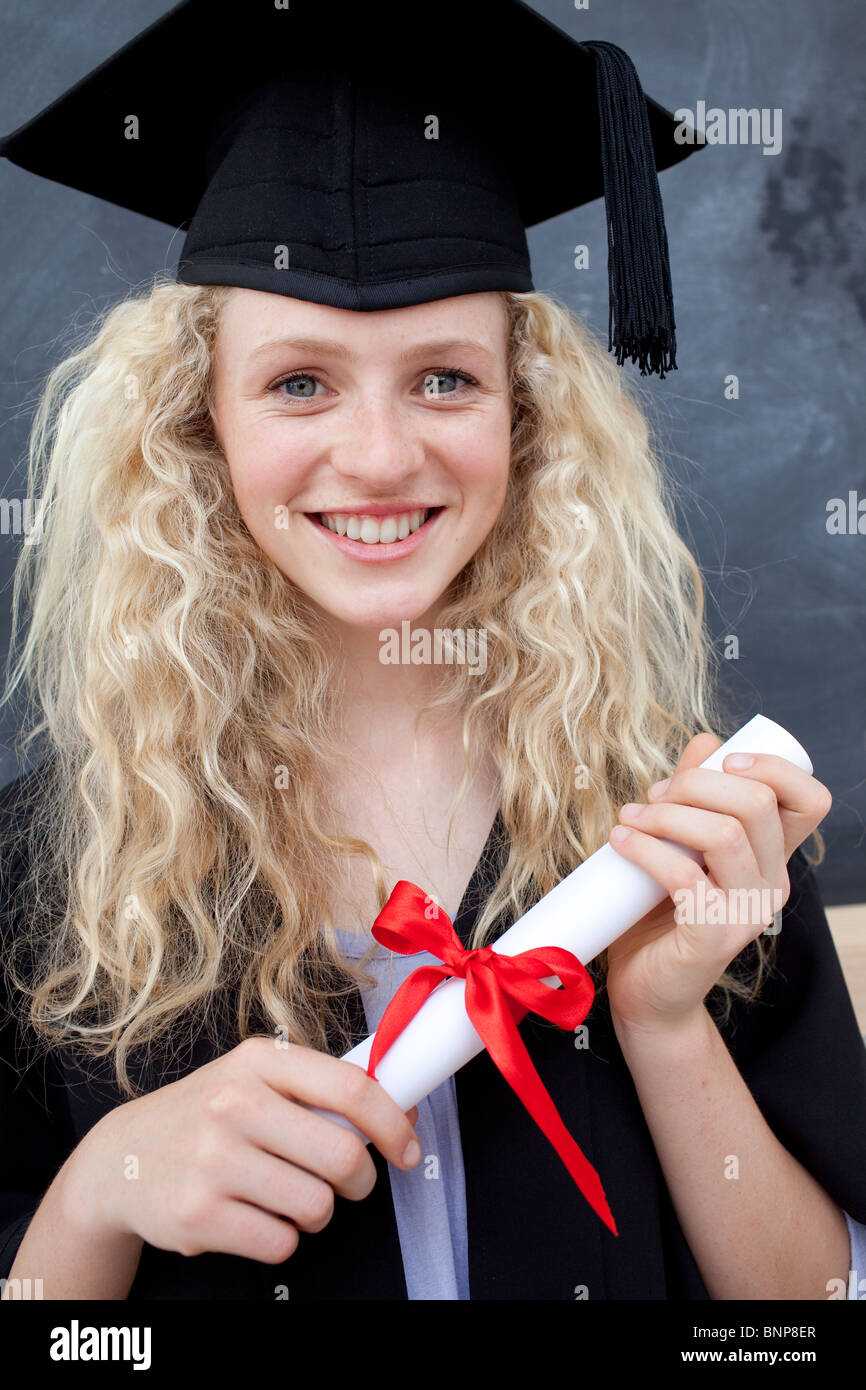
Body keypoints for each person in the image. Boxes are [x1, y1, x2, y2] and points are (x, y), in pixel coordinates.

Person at [1, 0, 865, 1302]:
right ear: (198, 425)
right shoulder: (51, 867)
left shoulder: (671, 820)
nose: (381, 455)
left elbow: (801, 1312)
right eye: (300, 382)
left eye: (443, 378)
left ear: (524, 414)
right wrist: (96, 1192)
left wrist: (661, 1016)